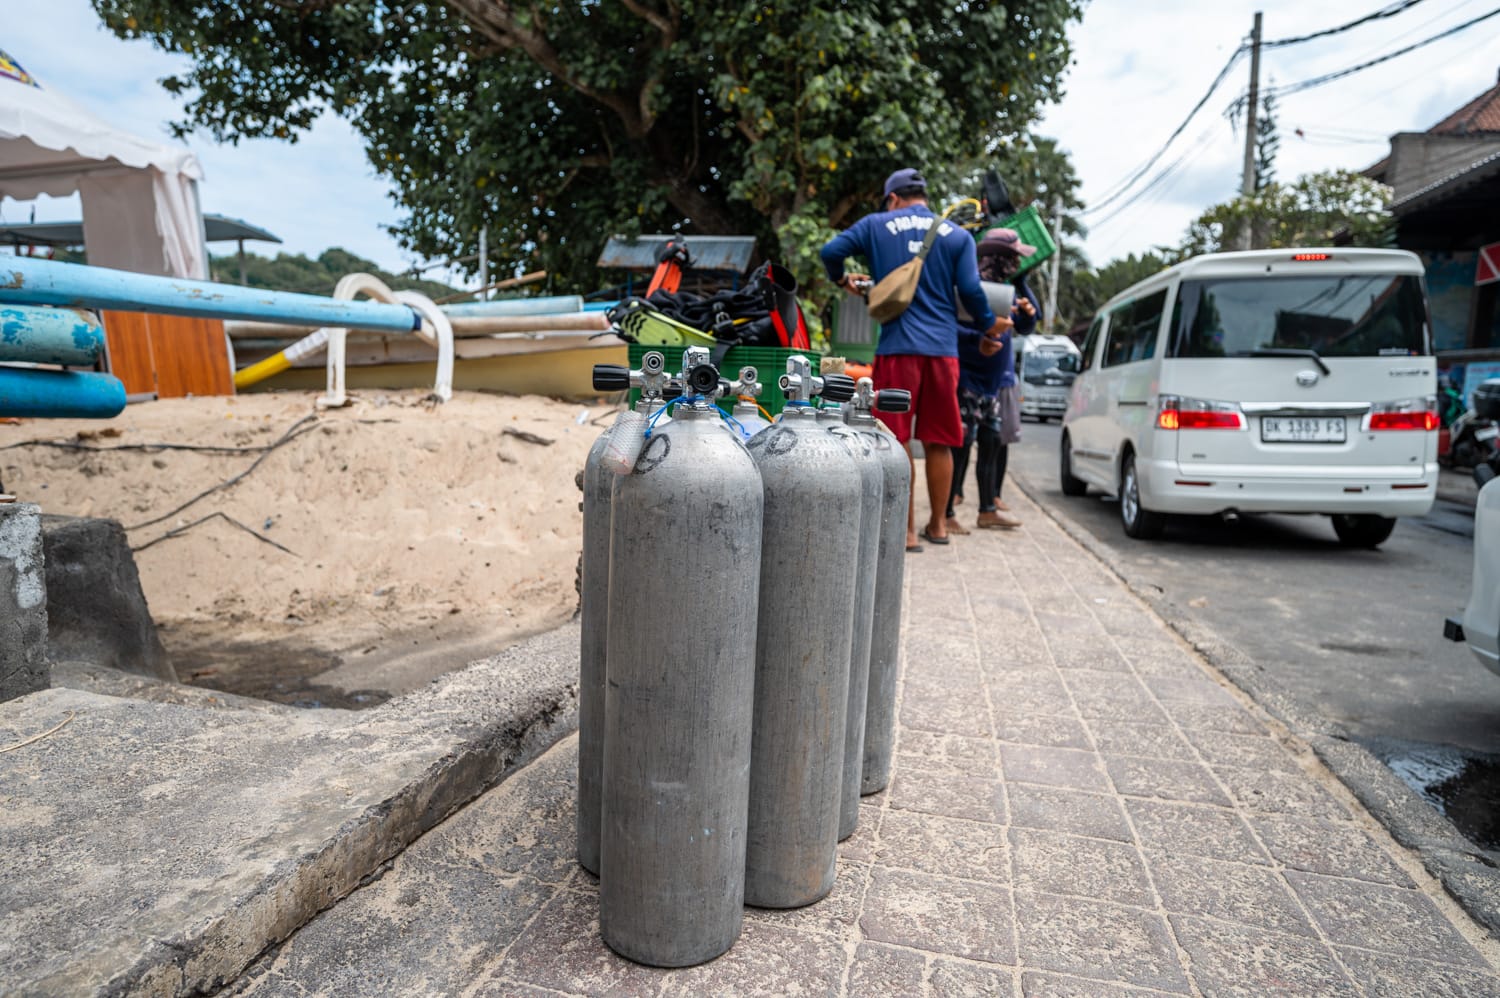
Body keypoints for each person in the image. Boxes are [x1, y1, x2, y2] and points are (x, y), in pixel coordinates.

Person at [820, 168, 1010, 550]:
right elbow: (971, 291)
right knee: (940, 441)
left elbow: (830, 253)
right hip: (942, 352)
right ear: (923, 196)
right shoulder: (957, 236)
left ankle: (905, 533)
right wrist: (990, 328)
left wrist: (842, 279)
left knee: (895, 439)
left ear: (892, 198)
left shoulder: (876, 224)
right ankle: (938, 525)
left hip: (897, 348)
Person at [946, 227, 1039, 531]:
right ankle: (946, 511)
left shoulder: (1008, 289)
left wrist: (1025, 312)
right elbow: (951, 329)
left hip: (993, 384)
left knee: (991, 441)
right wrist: (978, 340)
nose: (1017, 266)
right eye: (1013, 260)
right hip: (968, 379)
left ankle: (987, 509)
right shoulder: (969, 288)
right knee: (961, 444)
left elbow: (1024, 326)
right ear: (999, 259)